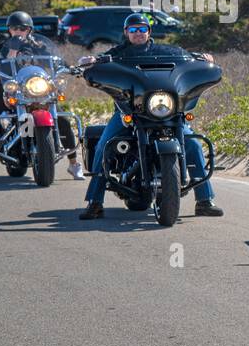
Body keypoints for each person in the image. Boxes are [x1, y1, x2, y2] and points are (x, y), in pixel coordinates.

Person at [78, 12, 222, 220]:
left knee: (193, 144)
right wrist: (91, 61)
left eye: (142, 29)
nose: (138, 33)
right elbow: (99, 61)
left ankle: (205, 200)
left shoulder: (165, 51)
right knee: (104, 145)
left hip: (166, 111)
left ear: (149, 31)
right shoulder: (117, 53)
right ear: (126, 32)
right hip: (129, 113)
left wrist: (202, 59)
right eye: (133, 30)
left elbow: (186, 57)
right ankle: (95, 202)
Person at [0, 11, 85, 179]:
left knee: (63, 119)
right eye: (15, 28)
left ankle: (73, 163)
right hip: (10, 88)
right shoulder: (0, 48)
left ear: (29, 30)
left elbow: (56, 61)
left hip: (37, 88)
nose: (18, 31)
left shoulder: (39, 46)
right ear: (9, 30)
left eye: (22, 28)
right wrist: (13, 50)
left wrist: (70, 68)